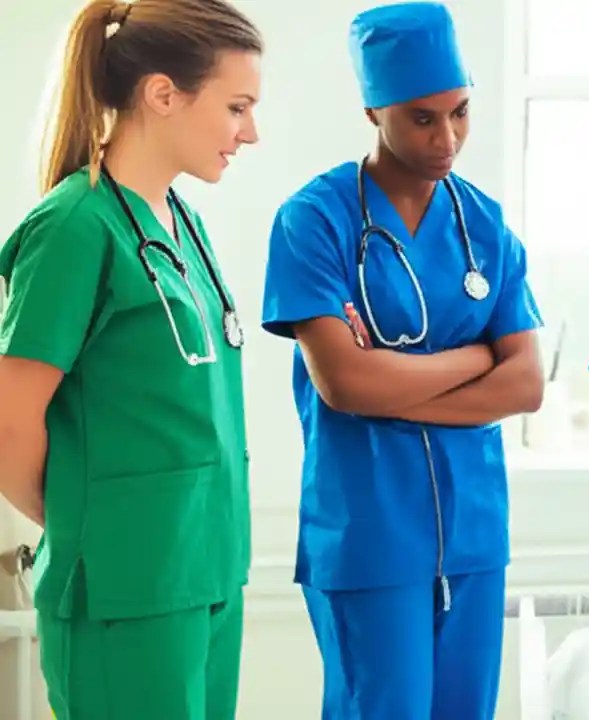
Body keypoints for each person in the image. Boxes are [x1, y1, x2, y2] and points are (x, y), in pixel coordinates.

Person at [259, 2, 544, 718]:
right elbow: (345, 382)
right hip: (369, 533)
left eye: (460, 113)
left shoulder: (483, 223)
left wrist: (390, 386)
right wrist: (474, 357)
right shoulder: (315, 220)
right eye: (422, 117)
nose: (447, 137)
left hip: (474, 533)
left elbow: (528, 382)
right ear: (372, 109)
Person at [0, 0, 261, 717]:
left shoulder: (182, 224)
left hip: (206, 571)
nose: (251, 132)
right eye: (237, 107)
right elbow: (9, 422)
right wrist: (91, 522)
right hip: (125, 585)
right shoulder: (75, 227)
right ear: (162, 94)